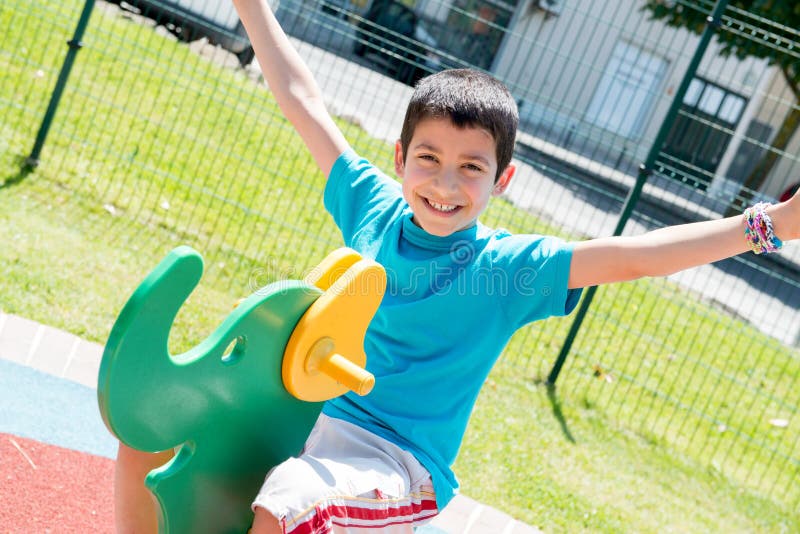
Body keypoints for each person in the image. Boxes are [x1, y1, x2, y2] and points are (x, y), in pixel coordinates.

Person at [114, 0, 800, 532]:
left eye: (471, 168)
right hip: (313, 423)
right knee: (151, 429)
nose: (445, 185)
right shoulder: (375, 211)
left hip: (397, 466)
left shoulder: (507, 269)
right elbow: (305, 104)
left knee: (289, 504)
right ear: (400, 158)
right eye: (430, 161)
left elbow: (632, 259)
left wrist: (766, 227)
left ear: (503, 181)